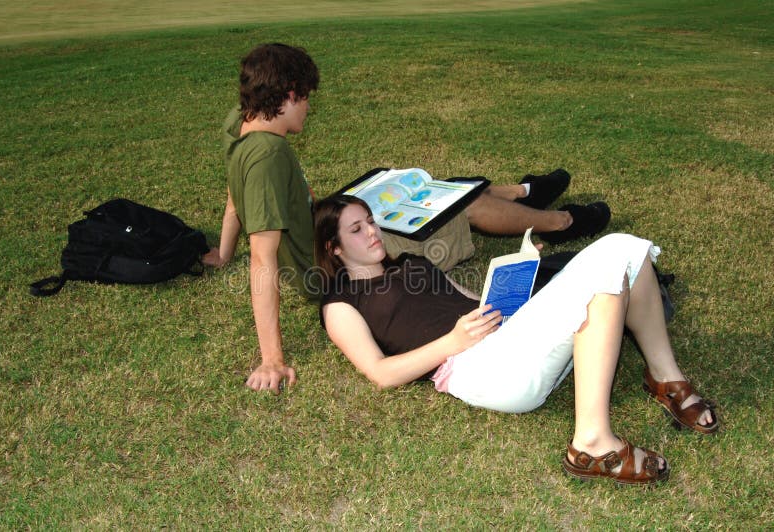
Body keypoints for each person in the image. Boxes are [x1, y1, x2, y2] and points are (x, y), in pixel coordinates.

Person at [204, 42, 610, 393]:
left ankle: (523, 192)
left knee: (432, 190)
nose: (309, 106)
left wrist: (223, 253)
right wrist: (272, 359)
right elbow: (263, 259)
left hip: (333, 226)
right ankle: (561, 222)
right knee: (456, 207)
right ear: (289, 95)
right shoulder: (268, 157)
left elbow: (236, 198)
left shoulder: (240, 125)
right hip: (337, 256)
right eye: (306, 97)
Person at [315, 194, 718, 485]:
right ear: (334, 248)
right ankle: (591, 442)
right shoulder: (342, 303)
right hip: (475, 369)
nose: (372, 232)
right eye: (357, 229)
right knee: (612, 256)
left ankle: (666, 379)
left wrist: (518, 279)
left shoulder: (412, 263)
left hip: (507, 342)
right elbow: (381, 373)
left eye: (371, 221)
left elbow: (476, 304)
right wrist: (453, 342)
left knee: (626, 251)